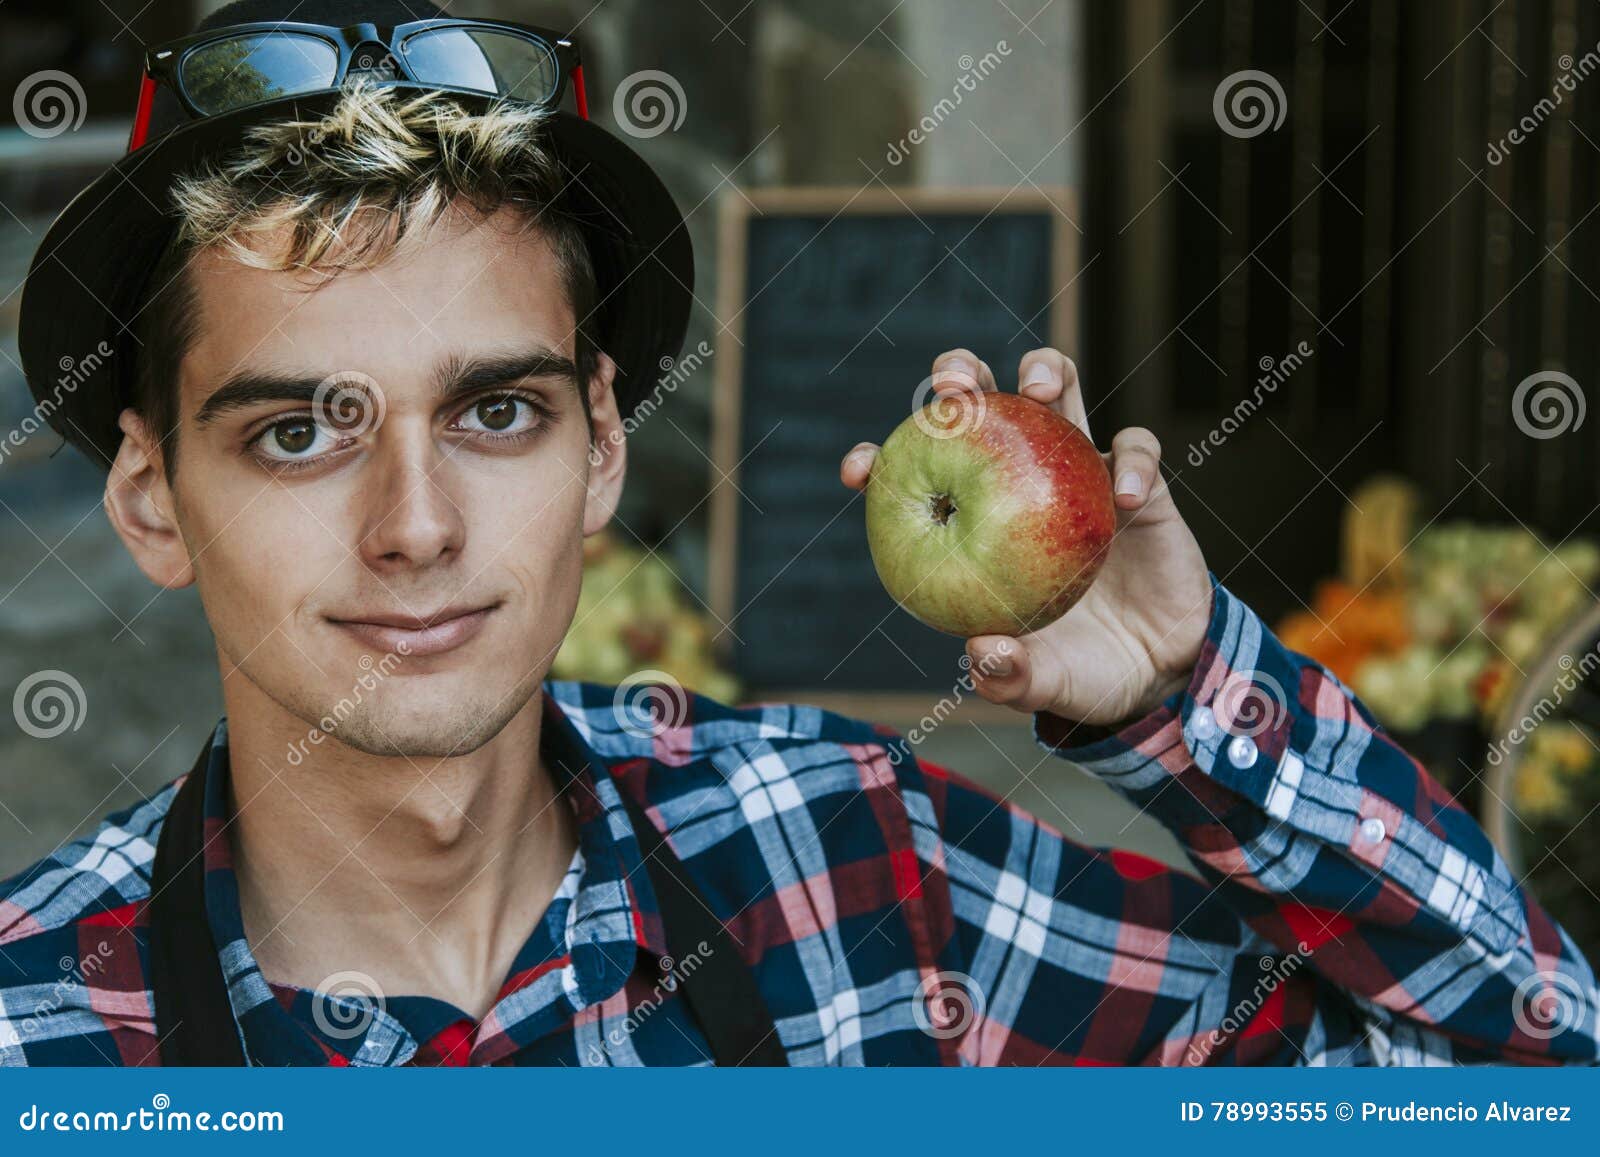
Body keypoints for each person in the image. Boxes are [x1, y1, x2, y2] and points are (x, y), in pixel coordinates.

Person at [3, 0, 1594, 1067]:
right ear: (151, 499)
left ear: (605, 448)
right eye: (296, 431)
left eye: (498, 413)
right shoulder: (37, 1031)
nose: (416, 525)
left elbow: (1522, 1069)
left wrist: (1189, 701)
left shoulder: (854, 869)